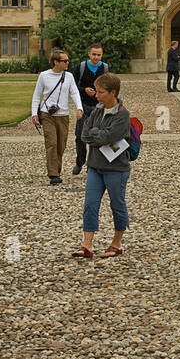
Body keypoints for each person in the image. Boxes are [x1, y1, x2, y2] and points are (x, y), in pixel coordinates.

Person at [73, 73, 131, 260]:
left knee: (117, 205)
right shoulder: (96, 111)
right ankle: (87, 245)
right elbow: (84, 135)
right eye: (96, 91)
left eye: (101, 92)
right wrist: (100, 135)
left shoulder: (123, 114)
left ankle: (116, 244)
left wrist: (98, 135)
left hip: (116, 169)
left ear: (113, 93)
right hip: (95, 166)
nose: (96, 95)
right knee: (90, 205)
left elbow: (108, 136)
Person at [30, 48, 83, 185]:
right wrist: (34, 113)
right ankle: (53, 174)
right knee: (52, 143)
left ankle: (56, 171)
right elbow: (37, 95)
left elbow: (75, 93)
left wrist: (79, 108)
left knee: (61, 145)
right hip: (47, 114)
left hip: (63, 115)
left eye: (68, 60)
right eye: (64, 61)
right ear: (55, 62)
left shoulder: (69, 76)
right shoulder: (44, 76)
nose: (67, 63)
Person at [73, 43, 110, 175]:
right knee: (80, 136)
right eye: (94, 54)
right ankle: (80, 161)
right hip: (84, 106)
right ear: (89, 54)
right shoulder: (81, 67)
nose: (96, 57)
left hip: (99, 107)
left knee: (97, 137)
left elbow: (109, 87)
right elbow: (73, 87)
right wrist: (84, 90)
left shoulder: (105, 68)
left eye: (98, 55)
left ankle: (92, 165)